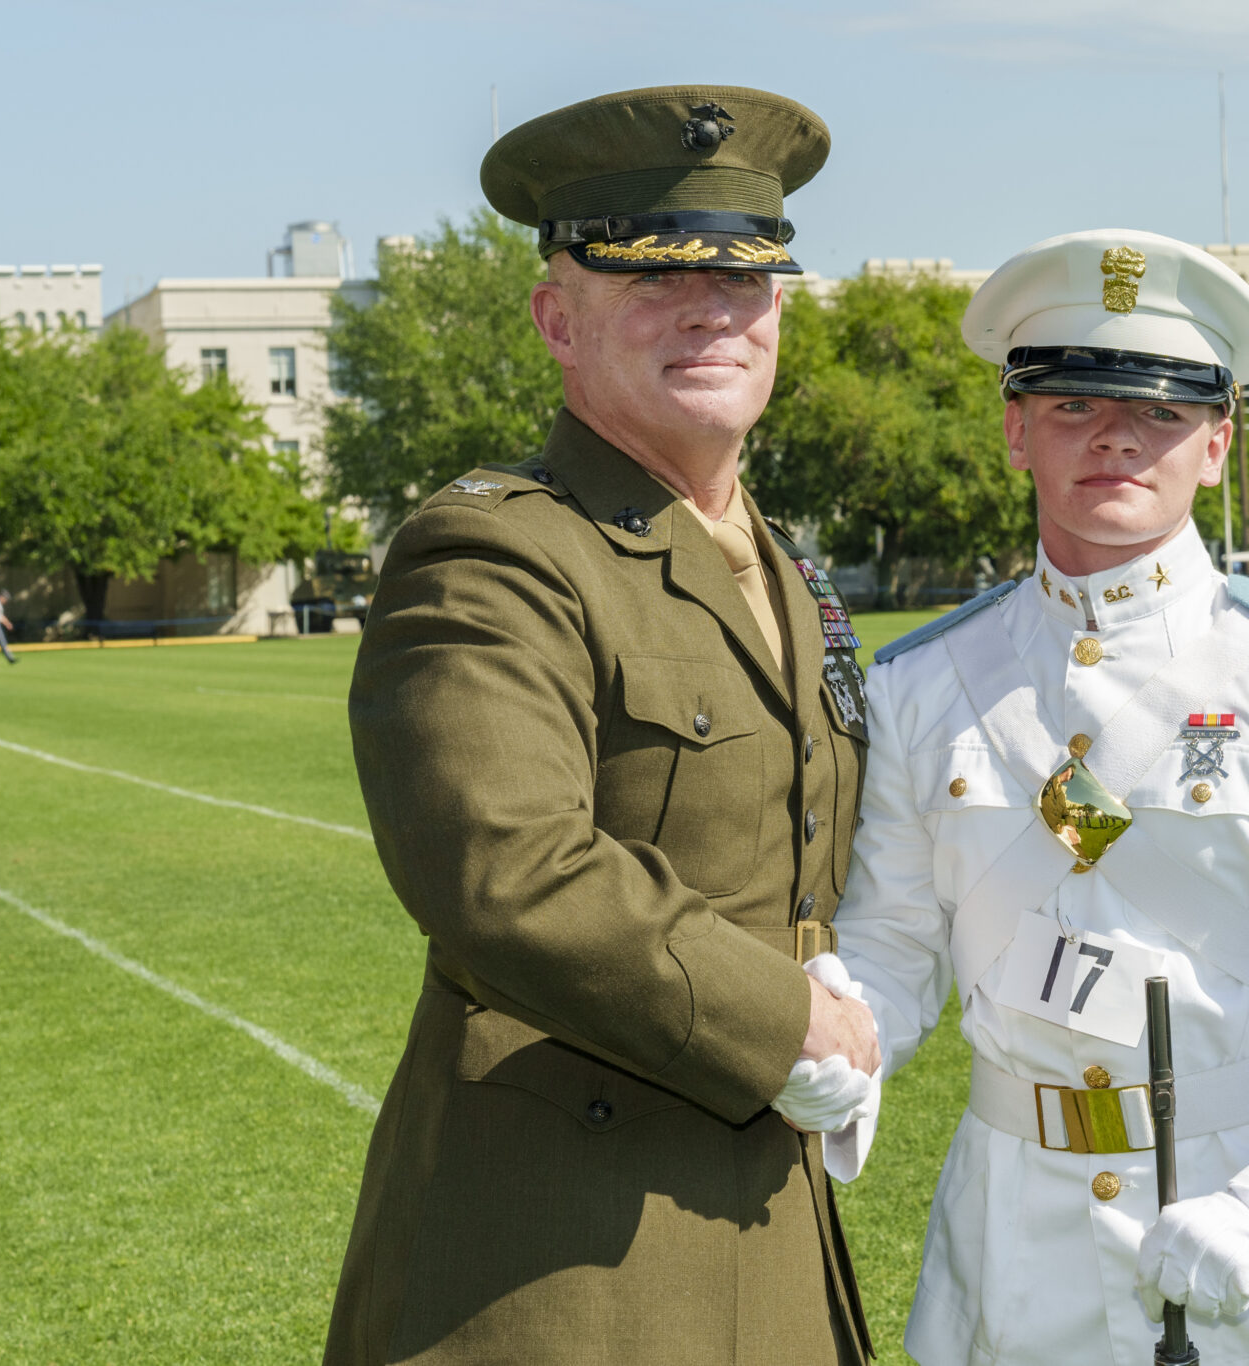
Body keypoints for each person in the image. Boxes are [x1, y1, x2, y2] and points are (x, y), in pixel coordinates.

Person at [832, 230, 1249, 1364]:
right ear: (1014, 429)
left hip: (1244, 1262)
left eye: (1157, 411)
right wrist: (838, 1039)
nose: (1113, 435)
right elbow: (893, 940)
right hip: (1005, 1269)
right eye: (1069, 405)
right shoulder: (922, 684)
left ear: (1213, 443)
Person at [325, 86, 879, 1366]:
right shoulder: (494, 548)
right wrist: (789, 1023)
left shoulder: (780, 563)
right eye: (651, 278)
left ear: (780, 310)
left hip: (769, 1231)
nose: (708, 312)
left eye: (745, 282)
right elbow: (504, 866)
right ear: (553, 319)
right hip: (559, 1262)